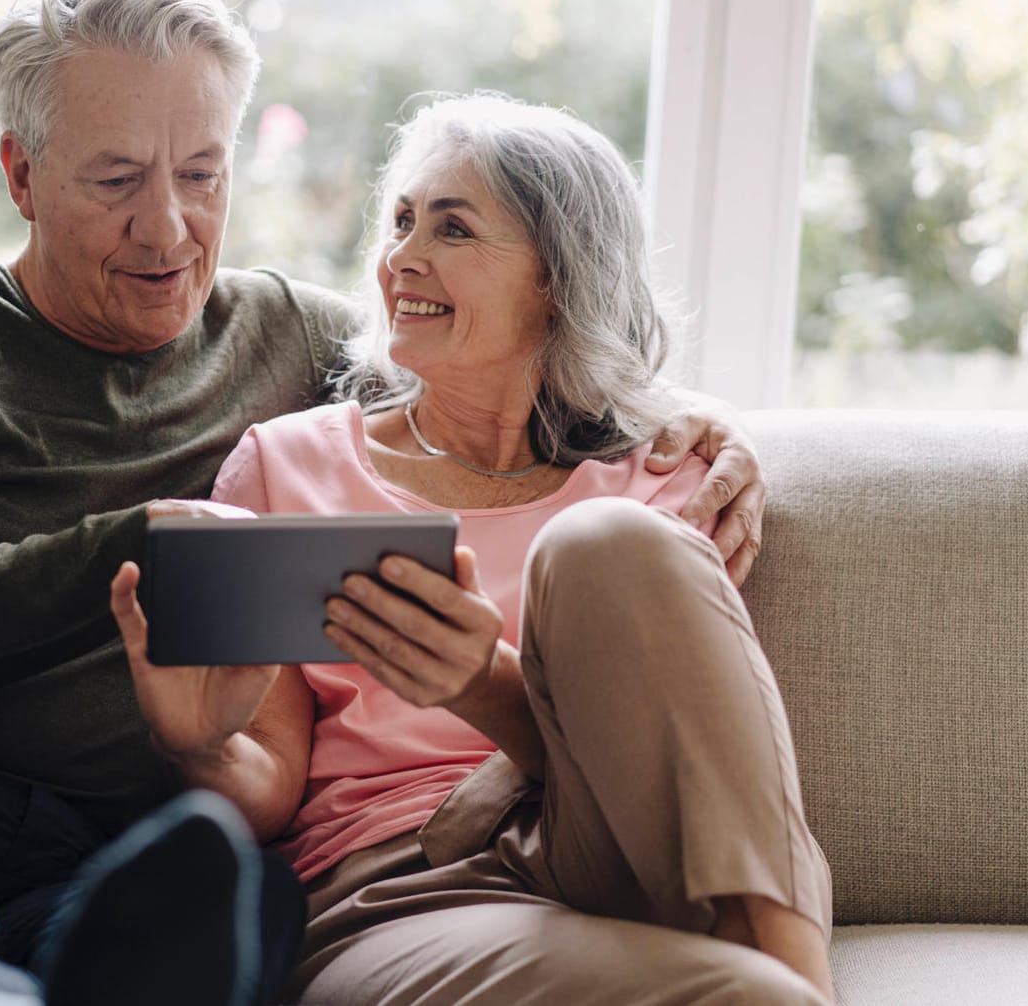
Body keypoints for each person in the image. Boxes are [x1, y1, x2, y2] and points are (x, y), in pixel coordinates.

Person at [0, 0, 769, 1006]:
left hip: (114, 839)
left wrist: (697, 424)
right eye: (117, 180)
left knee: (239, 904)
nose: (169, 227)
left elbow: (490, 346)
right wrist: (144, 538)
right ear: (20, 173)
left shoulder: (285, 333)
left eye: (200, 174)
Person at [111, 93, 834, 1005]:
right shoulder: (288, 467)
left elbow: (692, 763)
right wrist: (198, 747)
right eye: (402, 220)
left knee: (608, 539)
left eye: (452, 230)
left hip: (620, 845)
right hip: (410, 881)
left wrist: (479, 682)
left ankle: (787, 962)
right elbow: (267, 789)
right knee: (747, 997)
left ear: (558, 278)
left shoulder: (663, 479)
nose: (401, 257)